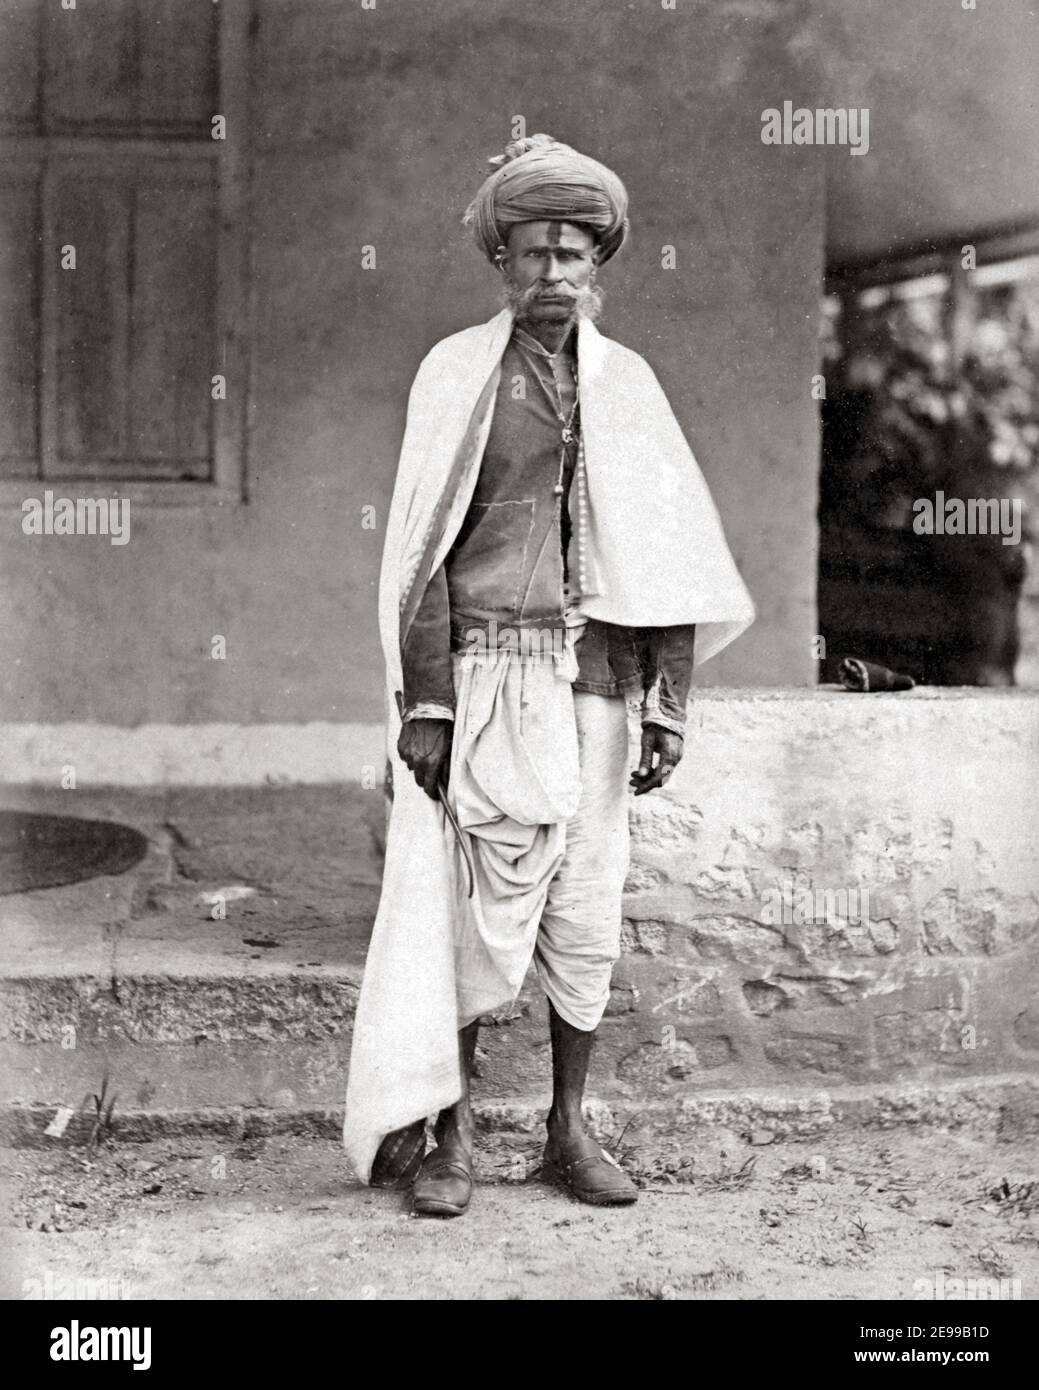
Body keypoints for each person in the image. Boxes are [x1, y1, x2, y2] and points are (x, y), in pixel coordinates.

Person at [343, 134, 754, 1216]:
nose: (553, 275)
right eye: (531, 254)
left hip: (597, 689)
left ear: (600, 262)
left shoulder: (630, 388)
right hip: (481, 680)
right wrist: (423, 702)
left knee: (584, 910)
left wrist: (666, 700)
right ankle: (452, 1134)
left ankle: (568, 1131)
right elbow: (420, 553)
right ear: (501, 261)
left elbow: (666, 561)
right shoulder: (455, 376)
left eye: (573, 254)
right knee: (472, 912)